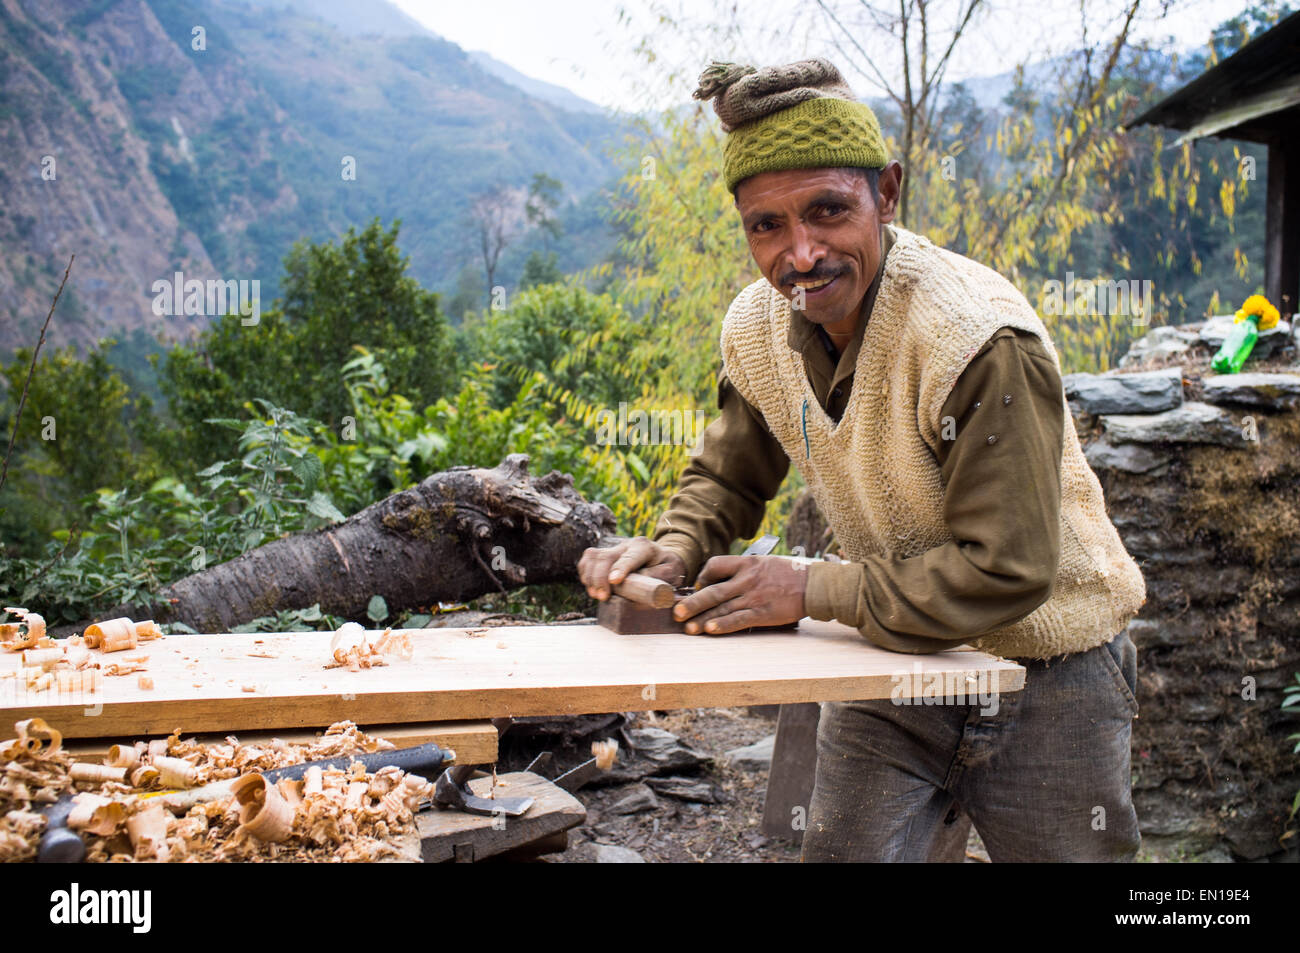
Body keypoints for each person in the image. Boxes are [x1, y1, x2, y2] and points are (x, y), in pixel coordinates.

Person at [577, 58, 1147, 862]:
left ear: (887, 192)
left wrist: (810, 587)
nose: (800, 255)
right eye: (766, 226)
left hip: (1053, 677)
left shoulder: (975, 338)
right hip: (893, 668)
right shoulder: (758, 326)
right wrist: (676, 547)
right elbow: (731, 472)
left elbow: (1008, 570)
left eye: (827, 211)